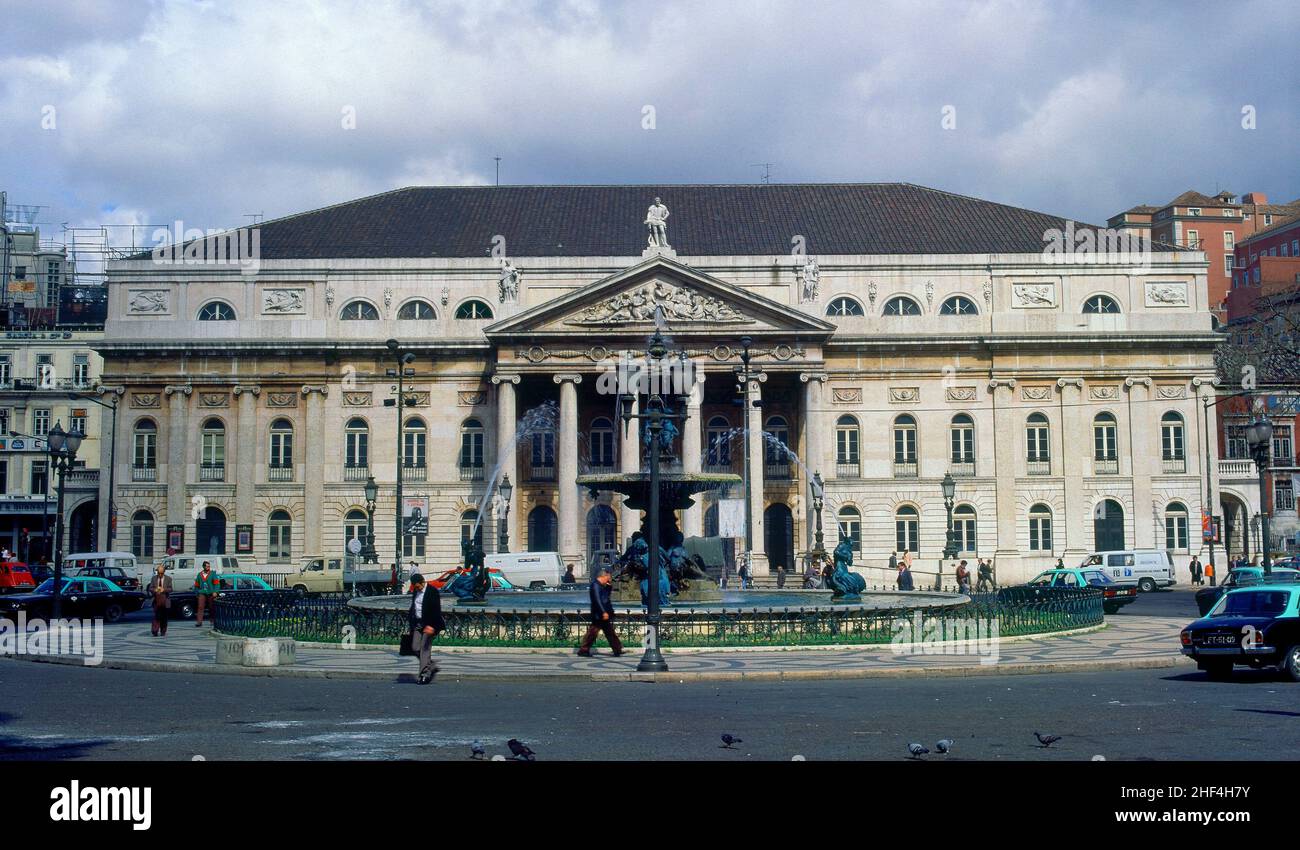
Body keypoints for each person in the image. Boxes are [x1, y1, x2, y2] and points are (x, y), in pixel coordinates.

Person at [407, 573, 445, 684]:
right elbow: (414, 607)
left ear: (423, 582)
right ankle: (431, 666)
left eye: (418, 586)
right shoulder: (416, 591)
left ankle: (424, 675)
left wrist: (431, 626)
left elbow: (436, 610)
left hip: (430, 624)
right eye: (415, 587)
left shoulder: (432, 591)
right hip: (418, 624)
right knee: (415, 648)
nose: (416, 588)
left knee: (424, 649)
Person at [577, 567, 624, 657]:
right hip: (599, 614)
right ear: (603, 576)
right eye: (608, 577)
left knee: (608, 631)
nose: (609, 579)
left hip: (602, 613)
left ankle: (617, 649)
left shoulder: (602, 586)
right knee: (593, 632)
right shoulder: (595, 585)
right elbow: (597, 600)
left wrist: (609, 586)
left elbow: (606, 597)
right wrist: (603, 612)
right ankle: (584, 650)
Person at [147, 564, 172, 637]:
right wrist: (155, 590)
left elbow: (171, 589)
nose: (160, 575)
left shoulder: (168, 579)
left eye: (162, 573)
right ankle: (155, 630)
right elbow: (150, 588)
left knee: (164, 617)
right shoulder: (154, 578)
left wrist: (164, 590)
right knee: (156, 616)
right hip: (156, 600)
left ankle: (163, 631)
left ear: (164, 572)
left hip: (165, 600)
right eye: (159, 573)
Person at [193, 561, 218, 627]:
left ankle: (212, 620)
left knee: (211, 607)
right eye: (207, 566)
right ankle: (199, 622)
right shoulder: (199, 575)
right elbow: (196, 585)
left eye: (209, 566)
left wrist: (215, 591)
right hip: (202, 592)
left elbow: (216, 583)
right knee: (200, 607)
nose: (208, 568)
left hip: (211, 592)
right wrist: (197, 593)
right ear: (203, 567)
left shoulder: (213, 574)